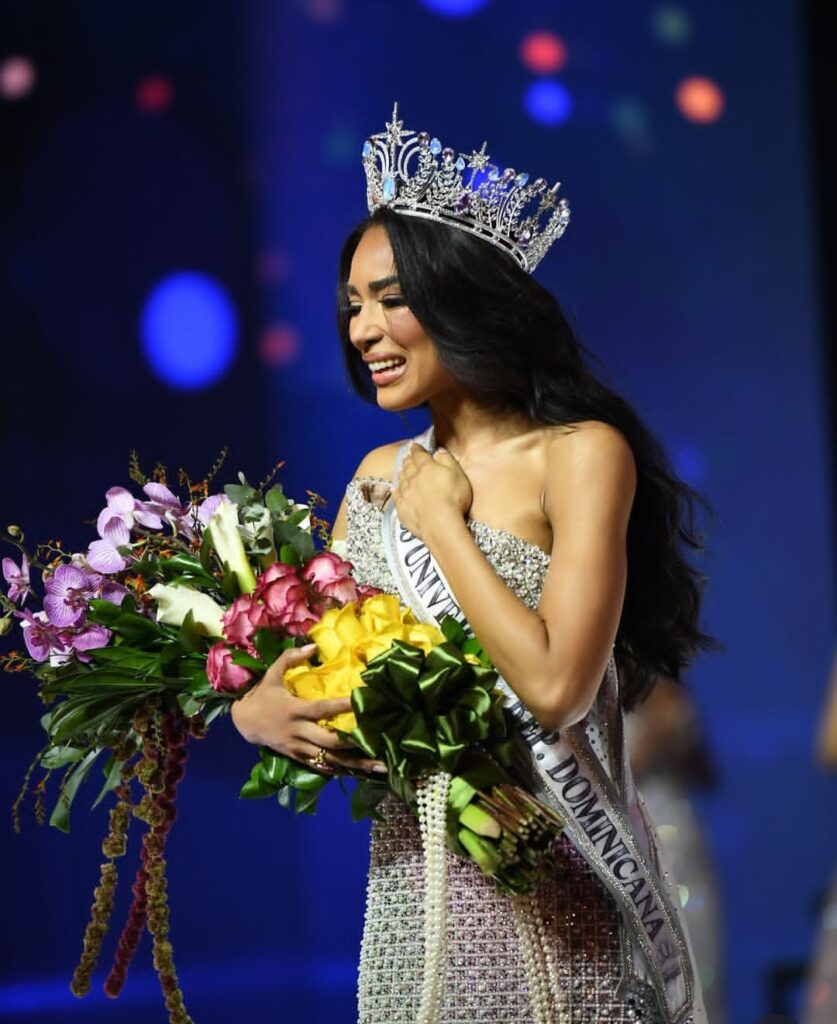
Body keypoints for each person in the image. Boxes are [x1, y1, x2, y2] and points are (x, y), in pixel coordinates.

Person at [232, 105, 720, 1024]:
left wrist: (443, 526)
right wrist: (256, 709)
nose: (362, 330)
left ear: (461, 300)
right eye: (350, 306)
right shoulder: (373, 478)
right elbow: (327, 679)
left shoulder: (579, 455)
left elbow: (554, 688)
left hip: (559, 894)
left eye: (389, 298)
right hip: (413, 903)